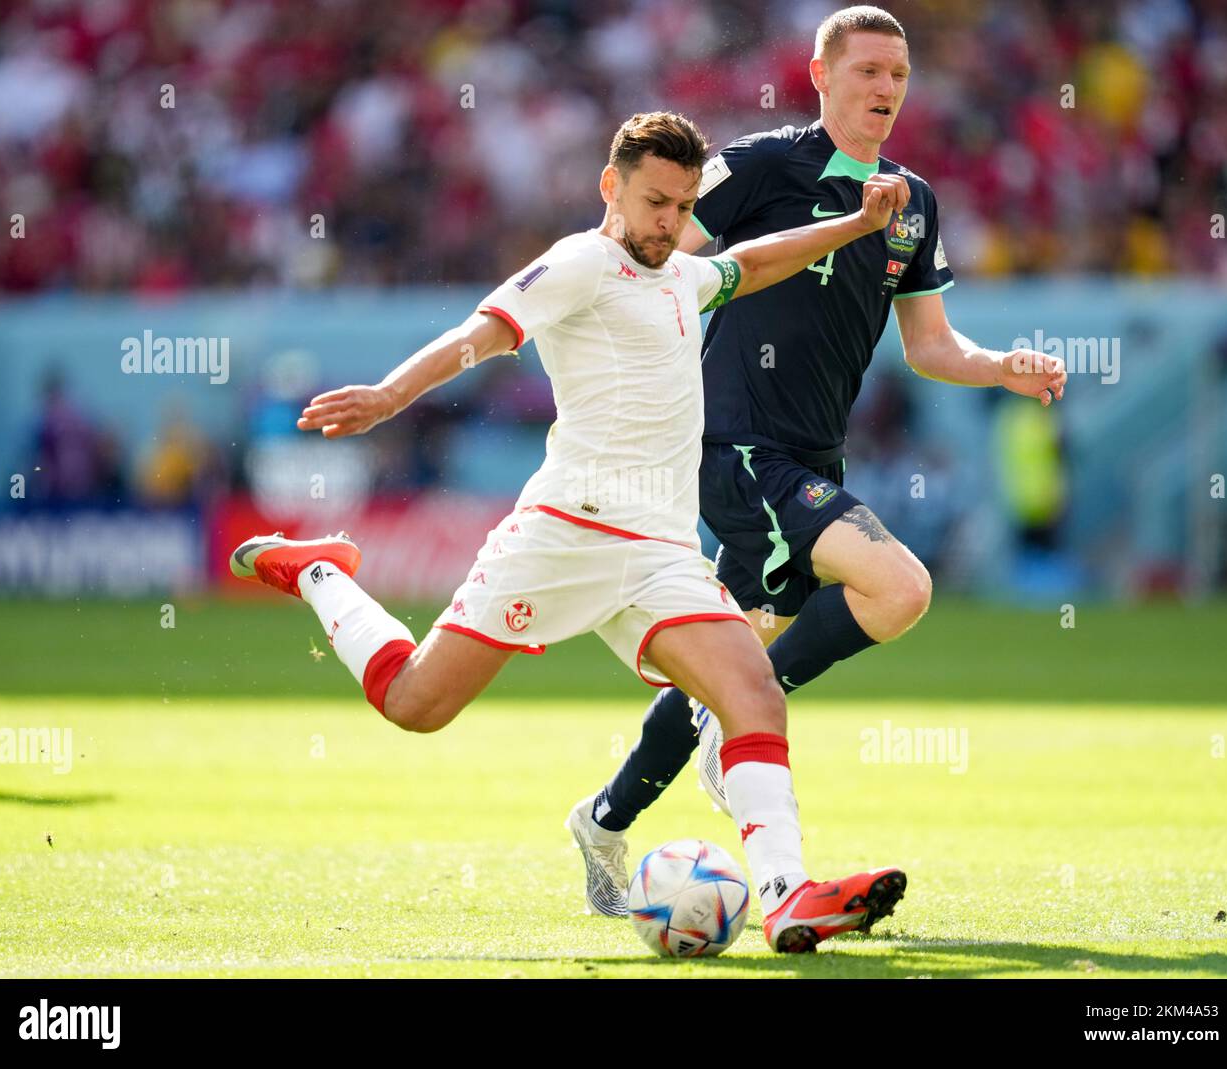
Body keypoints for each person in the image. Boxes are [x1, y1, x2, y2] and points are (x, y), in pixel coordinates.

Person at [231, 110, 911, 952]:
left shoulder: (682, 276)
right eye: (655, 201)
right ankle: (320, 573)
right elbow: (478, 337)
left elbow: (752, 263)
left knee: (753, 691)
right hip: (564, 535)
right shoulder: (580, 262)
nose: (669, 222)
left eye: (683, 204)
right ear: (610, 187)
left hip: (661, 551)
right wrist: (385, 395)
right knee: (415, 703)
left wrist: (854, 225)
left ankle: (786, 895)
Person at [570, 7, 1067, 917]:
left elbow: (929, 345)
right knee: (899, 585)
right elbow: (647, 254)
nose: (886, 89)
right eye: (869, 70)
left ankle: (605, 817)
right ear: (821, 75)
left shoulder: (912, 203)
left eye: (899, 75)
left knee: (728, 655)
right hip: (737, 446)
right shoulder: (761, 167)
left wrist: (1003, 366)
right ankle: (736, 734)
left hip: (810, 456)